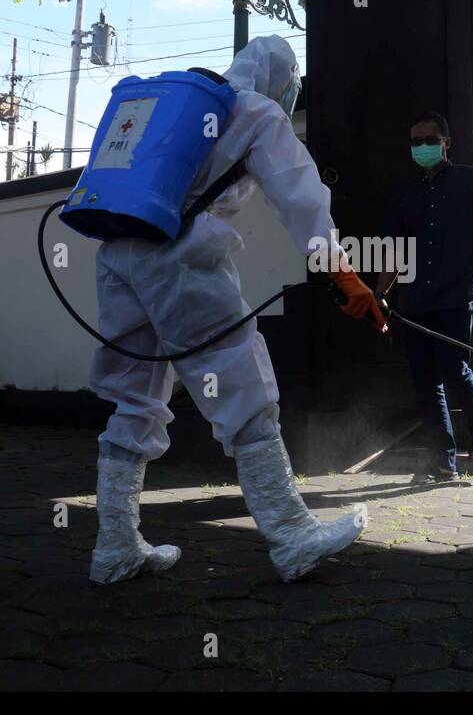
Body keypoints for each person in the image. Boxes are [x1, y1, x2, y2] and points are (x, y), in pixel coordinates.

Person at [86, 35, 385, 585]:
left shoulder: (180, 106)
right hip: (181, 264)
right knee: (243, 386)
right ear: (283, 81)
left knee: (134, 401)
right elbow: (301, 196)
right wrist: (342, 272)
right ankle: (292, 535)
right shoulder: (256, 111)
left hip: (118, 255)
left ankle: (115, 546)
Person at [377, 112, 473, 484]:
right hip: (415, 298)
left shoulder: (469, 180)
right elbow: (395, 250)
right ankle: (442, 462)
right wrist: (380, 293)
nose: (422, 147)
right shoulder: (408, 192)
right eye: (415, 141)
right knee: (424, 380)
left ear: (446, 143)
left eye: (429, 139)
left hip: (456, 291)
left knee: (452, 366)